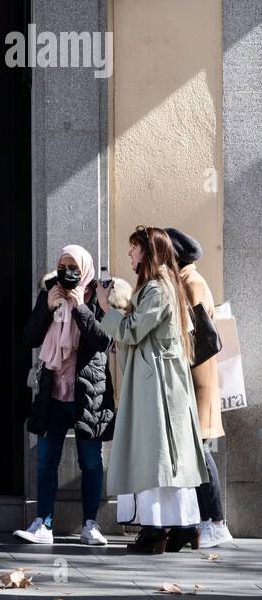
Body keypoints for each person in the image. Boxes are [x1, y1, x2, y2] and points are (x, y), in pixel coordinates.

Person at [97, 226, 208, 554]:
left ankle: (155, 529)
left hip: (155, 386)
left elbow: (132, 331)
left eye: (134, 249)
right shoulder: (164, 285)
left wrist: (106, 308)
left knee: (152, 455)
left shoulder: (158, 288)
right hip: (161, 381)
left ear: (149, 252)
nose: (130, 255)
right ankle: (182, 525)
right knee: (167, 458)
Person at [14, 245, 114, 546]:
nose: (67, 272)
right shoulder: (49, 292)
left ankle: (90, 524)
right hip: (52, 390)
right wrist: (47, 307)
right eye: (62, 265)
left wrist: (79, 306)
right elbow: (29, 337)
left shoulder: (98, 295)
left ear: (84, 268)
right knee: (46, 460)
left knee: (91, 462)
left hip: (88, 390)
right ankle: (42, 523)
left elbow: (103, 339)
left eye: (73, 266)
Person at [165, 227, 234, 549]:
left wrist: (179, 361)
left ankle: (216, 522)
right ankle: (203, 521)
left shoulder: (191, 284)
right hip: (195, 380)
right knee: (196, 453)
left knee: (201, 453)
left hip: (197, 381)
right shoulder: (185, 281)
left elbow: (204, 338)